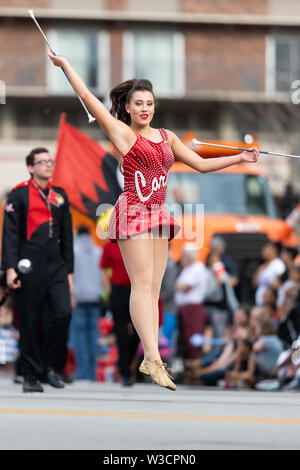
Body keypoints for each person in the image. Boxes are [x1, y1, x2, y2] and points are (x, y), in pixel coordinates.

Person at [48, 50, 259, 391]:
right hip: (133, 212)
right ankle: (151, 358)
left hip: (159, 215)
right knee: (141, 286)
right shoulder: (121, 133)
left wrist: (241, 157)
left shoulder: (167, 137)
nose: (145, 108)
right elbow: (87, 97)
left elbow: (201, 165)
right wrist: (65, 65)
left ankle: (150, 357)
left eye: (149, 103)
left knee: (155, 290)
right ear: (128, 108)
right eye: (138, 103)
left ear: (154, 107)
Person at [1, 148, 73, 392]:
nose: (48, 165)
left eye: (50, 161)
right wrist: (10, 269)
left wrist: (69, 273)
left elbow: (67, 237)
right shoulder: (19, 194)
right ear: (31, 167)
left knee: (63, 313)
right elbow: (9, 235)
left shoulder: (60, 195)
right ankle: (30, 374)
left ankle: (50, 366)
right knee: (30, 321)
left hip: (56, 266)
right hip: (29, 265)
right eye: (42, 162)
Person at [100, 240, 139, 386]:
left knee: (138, 332)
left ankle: (127, 363)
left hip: (136, 290)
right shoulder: (110, 245)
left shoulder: (138, 243)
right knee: (121, 332)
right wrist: (108, 291)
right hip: (118, 291)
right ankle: (125, 372)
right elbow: (103, 268)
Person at [70, 225, 103, 381]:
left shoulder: (73, 251)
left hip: (79, 298)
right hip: (95, 298)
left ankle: (82, 372)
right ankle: (92, 372)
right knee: (93, 336)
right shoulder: (98, 251)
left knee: (79, 337)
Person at [252, 241, 285, 306]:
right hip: (259, 301)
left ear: (274, 250)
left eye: (266, 250)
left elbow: (278, 283)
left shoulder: (278, 264)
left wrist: (270, 292)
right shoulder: (262, 266)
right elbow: (254, 284)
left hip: (271, 302)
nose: (263, 252)